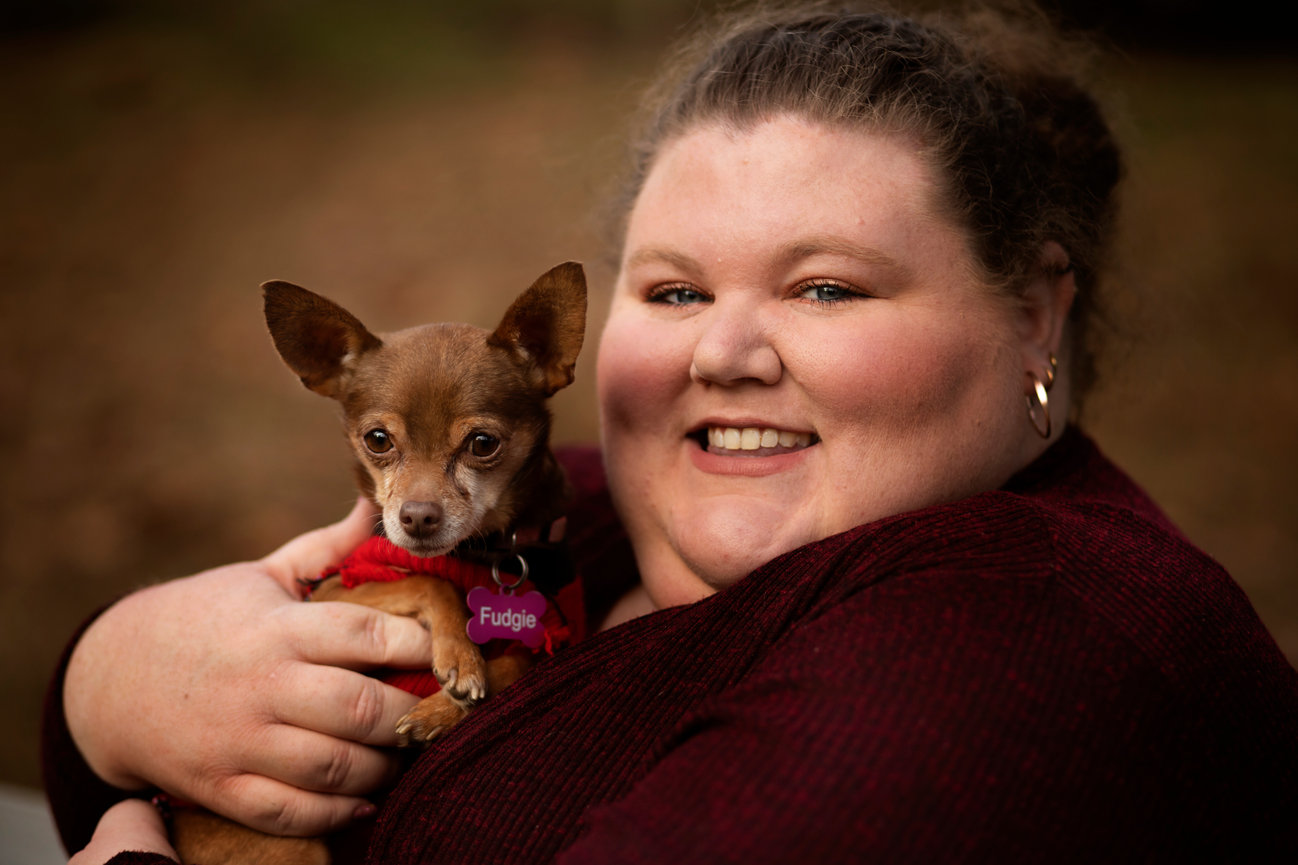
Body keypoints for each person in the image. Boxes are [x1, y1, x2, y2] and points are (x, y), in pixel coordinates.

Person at [46, 2, 1298, 862]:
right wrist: (107, 677)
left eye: (825, 287)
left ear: (1032, 314)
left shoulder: (1029, 631)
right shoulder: (562, 514)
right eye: (675, 290)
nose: (720, 352)